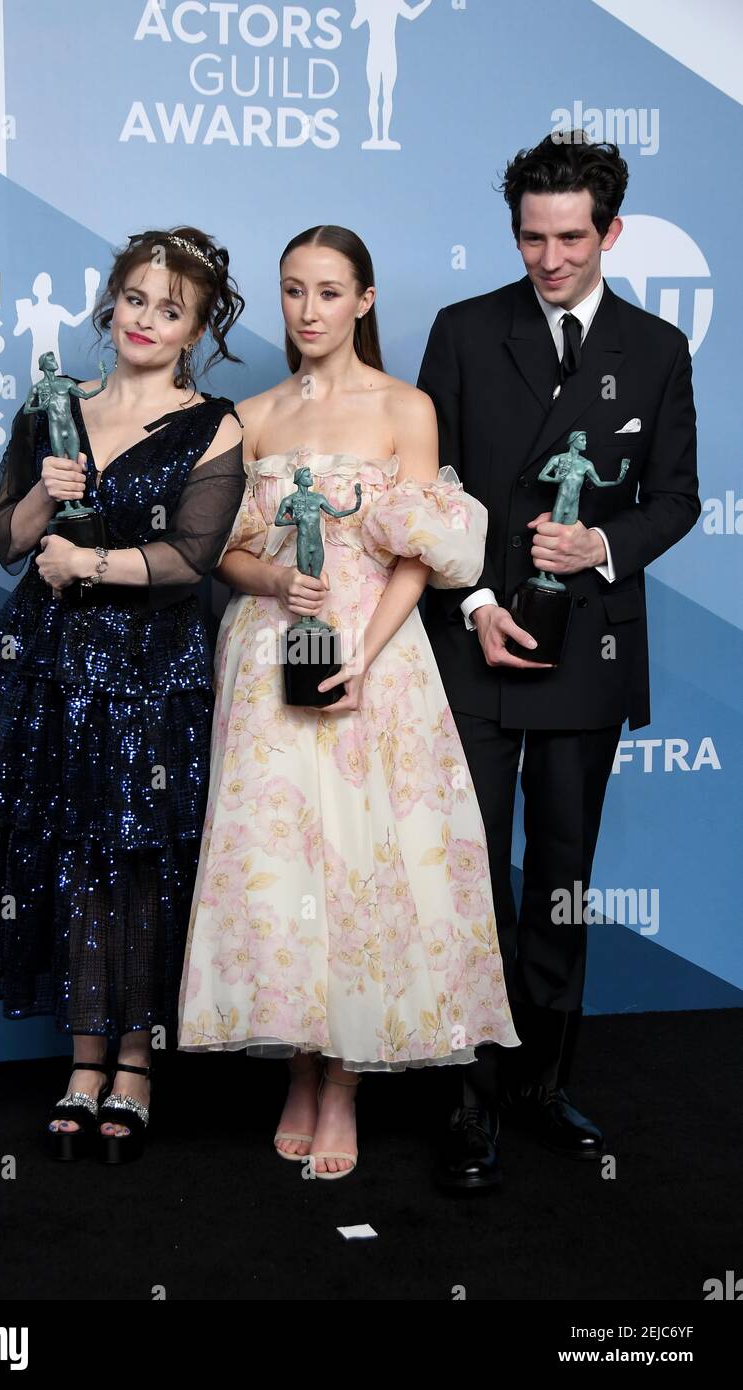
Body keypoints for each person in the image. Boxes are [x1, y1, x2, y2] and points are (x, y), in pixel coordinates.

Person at [177, 225, 519, 1181]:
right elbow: (228, 552)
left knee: (365, 857)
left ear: (364, 300)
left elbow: (421, 552)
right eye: (293, 291)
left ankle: (344, 1083)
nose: (309, 310)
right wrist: (277, 588)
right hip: (271, 651)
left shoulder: (406, 408)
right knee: (282, 856)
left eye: (329, 292)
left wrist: (363, 654)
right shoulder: (250, 416)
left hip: (380, 657)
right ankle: (296, 1061)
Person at [417, 132, 700, 1192]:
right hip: (476, 639)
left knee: (562, 883)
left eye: (569, 238)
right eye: (530, 237)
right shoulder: (460, 330)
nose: (548, 259)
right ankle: (468, 1095)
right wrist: (479, 598)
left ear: (609, 231)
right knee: (470, 874)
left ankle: (544, 1083)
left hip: (591, 643)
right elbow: (429, 486)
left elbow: (676, 495)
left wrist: (601, 545)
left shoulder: (656, 345)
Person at [0, 227, 247, 1163]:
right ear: (110, 302)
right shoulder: (54, 407)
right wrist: (46, 498)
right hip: (54, 671)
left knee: (137, 864)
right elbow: (6, 539)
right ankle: (82, 1063)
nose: (146, 320)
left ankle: (136, 1063)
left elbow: (193, 560)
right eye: (135, 299)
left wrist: (92, 561)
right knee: (63, 853)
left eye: (171, 310)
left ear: (197, 330)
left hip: (149, 676)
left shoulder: (215, 423)